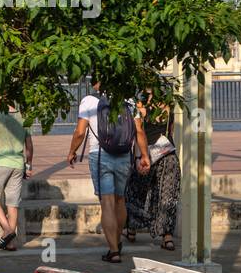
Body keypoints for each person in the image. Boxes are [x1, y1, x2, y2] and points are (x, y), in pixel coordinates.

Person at [67, 83, 150, 263]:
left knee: (107, 202)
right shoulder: (128, 100)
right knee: (120, 200)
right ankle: (117, 241)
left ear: (97, 83)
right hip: (123, 155)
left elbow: (80, 132)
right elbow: (139, 131)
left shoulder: (89, 101)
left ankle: (113, 250)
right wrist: (144, 155)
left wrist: (72, 151)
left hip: (100, 155)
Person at [124, 95, 180, 250]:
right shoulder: (169, 105)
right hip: (168, 154)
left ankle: (132, 229)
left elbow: (138, 133)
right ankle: (167, 237)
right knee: (168, 197)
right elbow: (171, 130)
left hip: (146, 155)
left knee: (135, 191)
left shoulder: (140, 106)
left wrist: (137, 158)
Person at [0, 95, 33, 251]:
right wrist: (28, 166)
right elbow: (29, 146)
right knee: (13, 203)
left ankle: (7, 229)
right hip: (18, 163)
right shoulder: (23, 116)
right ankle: (10, 243)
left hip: (1, 162)